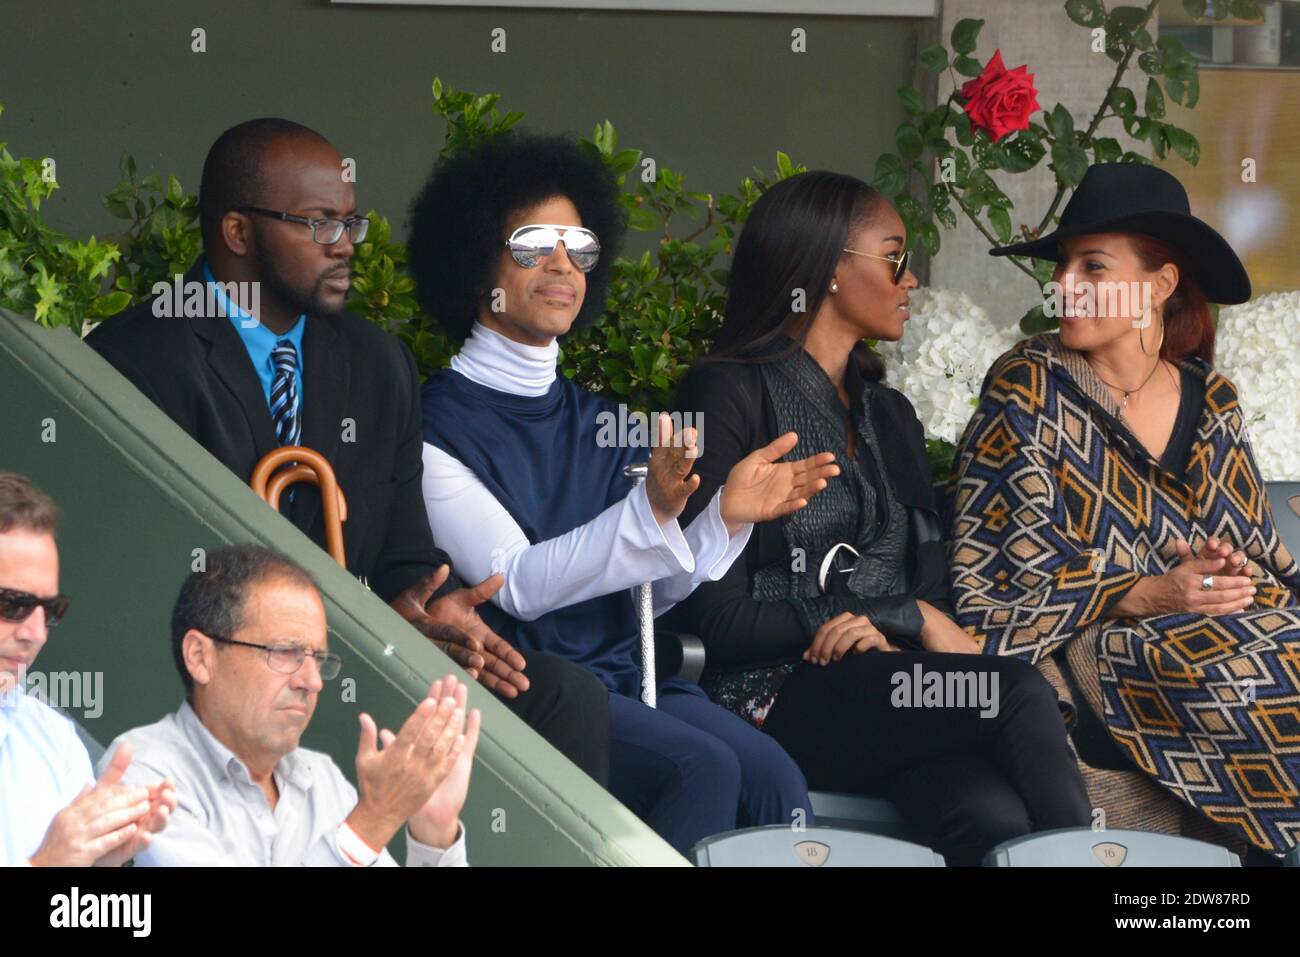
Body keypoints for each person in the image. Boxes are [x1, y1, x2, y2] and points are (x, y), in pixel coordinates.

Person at [86, 118, 610, 785]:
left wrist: (429, 610)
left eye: (351, 224)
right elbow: (139, 572)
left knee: (565, 696)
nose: (345, 246)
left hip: (351, 663)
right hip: (217, 676)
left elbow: (407, 559)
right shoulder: (137, 356)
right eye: (318, 224)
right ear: (238, 231)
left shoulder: (376, 361)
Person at [409, 131, 840, 855]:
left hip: (630, 675)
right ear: (474, 258)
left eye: (578, 245)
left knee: (774, 780)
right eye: (532, 245)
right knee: (702, 765)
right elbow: (517, 585)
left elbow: (648, 595)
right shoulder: (433, 426)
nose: (561, 265)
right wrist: (650, 515)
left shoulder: (605, 421)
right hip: (533, 688)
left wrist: (721, 523)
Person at [667, 171, 1093, 865]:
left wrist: (900, 628)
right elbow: (711, 616)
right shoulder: (728, 391)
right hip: (776, 694)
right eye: (894, 256)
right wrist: (902, 613)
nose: (912, 277)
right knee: (1014, 692)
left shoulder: (889, 415)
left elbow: (928, 575)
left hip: (891, 691)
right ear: (829, 268)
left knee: (993, 816)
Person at [949, 162, 1300, 858]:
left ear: (1160, 285)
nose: (1063, 284)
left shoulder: (1213, 399)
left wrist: (1223, 570)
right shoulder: (1028, 387)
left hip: (1229, 628)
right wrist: (1145, 591)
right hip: (1100, 644)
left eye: (1092, 266)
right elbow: (996, 585)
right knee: (1251, 687)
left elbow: (1258, 554)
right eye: (1064, 265)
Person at [104, 542, 474, 866]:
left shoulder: (322, 779)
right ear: (201, 657)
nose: (312, 682)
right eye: (285, 652)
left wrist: (434, 836)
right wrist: (372, 821)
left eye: (318, 659)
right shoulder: (145, 772)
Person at [0, 471, 176, 867]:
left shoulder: (52, 737)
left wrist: (99, 862)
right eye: (12, 605)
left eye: (51, 610)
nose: (37, 633)